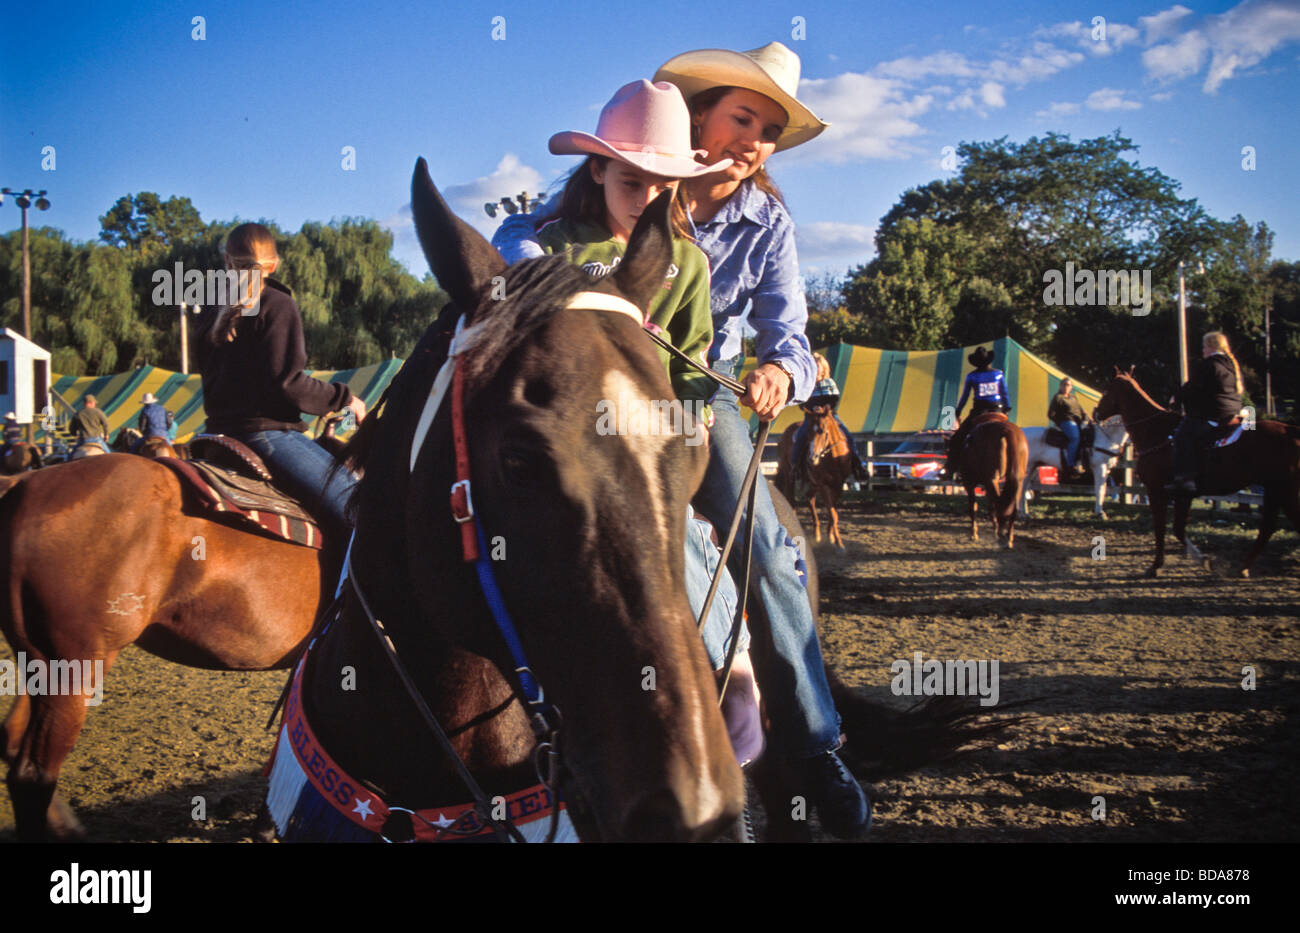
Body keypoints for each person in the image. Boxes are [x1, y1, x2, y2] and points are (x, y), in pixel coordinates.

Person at [494, 43, 868, 839]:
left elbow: (790, 336)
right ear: (699, 120)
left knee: (767, 549)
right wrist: (533, 268)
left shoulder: (764, 225)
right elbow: (522, 234)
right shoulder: (611, 185)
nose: (753, 139)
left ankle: (811, 743)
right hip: (591, 386)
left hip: (699, 391)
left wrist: (779, 374)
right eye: (743, 117)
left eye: (769, 130)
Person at [494, 78, 765, 767]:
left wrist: (685, 424)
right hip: (562, 433)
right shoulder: (550, 247)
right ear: (596, 170)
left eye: (660, 182)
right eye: (628, 179)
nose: (644, 195)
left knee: (688, 536)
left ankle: (737, 666)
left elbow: (694, 370)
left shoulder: (690, 265)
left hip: (646, 436)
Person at [192, 222, 366, 535]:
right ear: (274, 264)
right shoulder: (277, 304)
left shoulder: (209, 309)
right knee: (361, 511)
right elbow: (289, 384)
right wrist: (345, 399)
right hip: (266, 435)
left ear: (227, 262)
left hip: (215, 435)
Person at [1167, 331, 1244, 495]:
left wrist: (1176, 399)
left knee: (1182, 436)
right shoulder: (1230, 365)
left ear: (1211, 346)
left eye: (1204, 346)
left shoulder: (1209, 364)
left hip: (1214, 414)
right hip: (1231, 412)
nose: (1202, 350)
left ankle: (1186, 479)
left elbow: (1192, 388)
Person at [790, 351, 866, 489]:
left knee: (847, 436)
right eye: (815, 367)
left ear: (824, 368)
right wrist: (812, 409)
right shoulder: (807, 384)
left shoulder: (829, 383)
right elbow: (801, 402)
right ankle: (795, 467)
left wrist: (827, 407)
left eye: (819, 367)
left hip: (829, 416)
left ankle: (858, 467)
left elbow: (835, 399)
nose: (818, 370)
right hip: (811, 416)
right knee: (801, 436)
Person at [941, 346, 1011, 479]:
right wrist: (1007, 408)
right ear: (989, 361)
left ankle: (952, 469)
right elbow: (1004, 393)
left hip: (979, 410)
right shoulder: (998, 374)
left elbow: (965, 396)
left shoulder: (972, 376)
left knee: (957, 439)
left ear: (976, 362)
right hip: (997, 409)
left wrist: (958, 411)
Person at [1047, 377, 1087, 480]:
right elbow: (1050, 414)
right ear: (1060, 386)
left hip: (1078, 421)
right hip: (1066, 422)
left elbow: (1081, 410)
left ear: (1071, 387)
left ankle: (1083, 461)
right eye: (1064, 384)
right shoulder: (1058, 398)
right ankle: (1070, 465)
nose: (1065, 387)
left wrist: (1086, 418)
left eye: (1068, 385)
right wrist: (1059, 423)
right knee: (1075, 438)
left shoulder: (1073, 397)